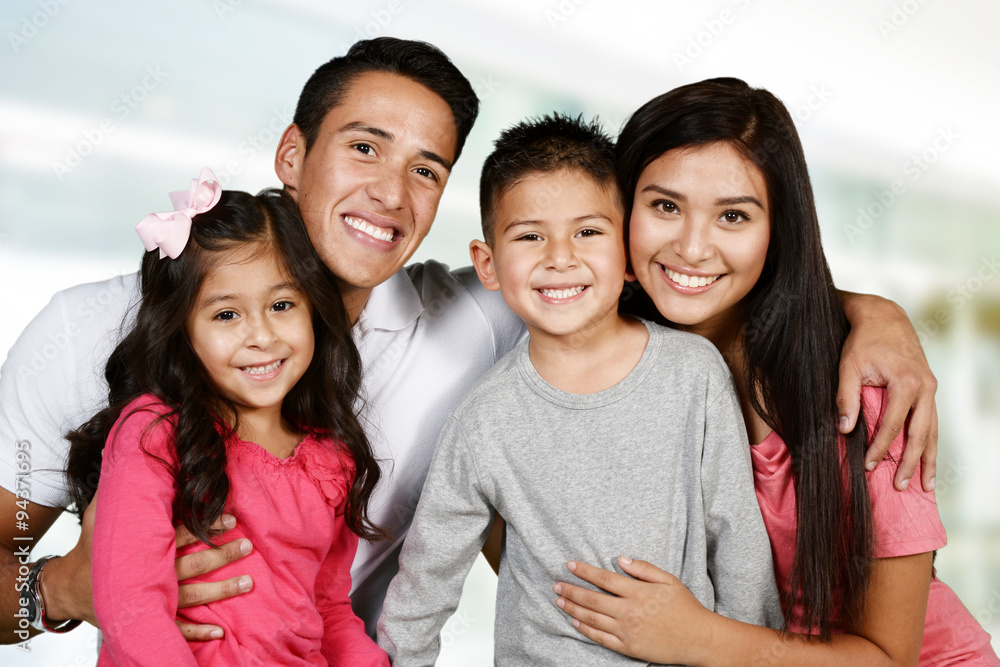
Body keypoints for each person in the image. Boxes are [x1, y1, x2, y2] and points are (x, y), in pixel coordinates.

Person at [0, 38, 937, 646]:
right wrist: (67, 584)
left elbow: (665, 280)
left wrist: (866, 313)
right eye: (363, 147)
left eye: (426, 169)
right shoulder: (92, 330)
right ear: (292, 154)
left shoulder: (474, 318)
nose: (390, 193)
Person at [553, 78, 999, 666]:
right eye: (665, 206)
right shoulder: (598, 361)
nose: (692, 247)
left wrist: (697, 637)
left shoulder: (863, 392)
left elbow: (889, 659)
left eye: (733, 216)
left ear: (775, 232)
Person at [376, 114, 783, 665]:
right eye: (530, 235)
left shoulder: (693, 373)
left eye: (588, 232)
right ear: (488, 264)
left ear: (628, 253)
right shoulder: (482, 418)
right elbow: (425, 582)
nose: (560, 257)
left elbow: (738, 544)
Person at [70, 169, 389, 665]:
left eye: (282, 304)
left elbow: (326, 609)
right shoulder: (155, 433)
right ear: (182, 330)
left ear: (314, 310)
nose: (261, 335)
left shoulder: (332, 458)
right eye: (226, 315)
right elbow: (131, 605)